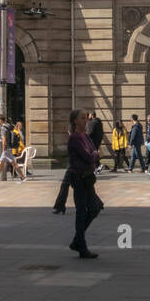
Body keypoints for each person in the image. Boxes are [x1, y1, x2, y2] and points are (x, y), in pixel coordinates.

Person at [65, 109, 103, 259]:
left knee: (95, 207)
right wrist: (96, 154)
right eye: (82, 118)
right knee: (82, 211)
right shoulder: (75, 138)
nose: (85, 120)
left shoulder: (85, 136)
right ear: (75, 121)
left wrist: (94, 154)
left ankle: (77, 241)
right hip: (79, 178)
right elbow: (89, 155)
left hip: (87, 178)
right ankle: (81, 246)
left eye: (86, 118)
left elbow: (93, 151)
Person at [0, 114, 23, 183]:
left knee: (12, 164)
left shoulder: (3, 128)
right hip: (9, 148)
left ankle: (22, 176)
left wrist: (4, 149)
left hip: (6, 149)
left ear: (0, 120)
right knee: (2, 164)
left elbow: (4, 139)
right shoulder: (8, 126)